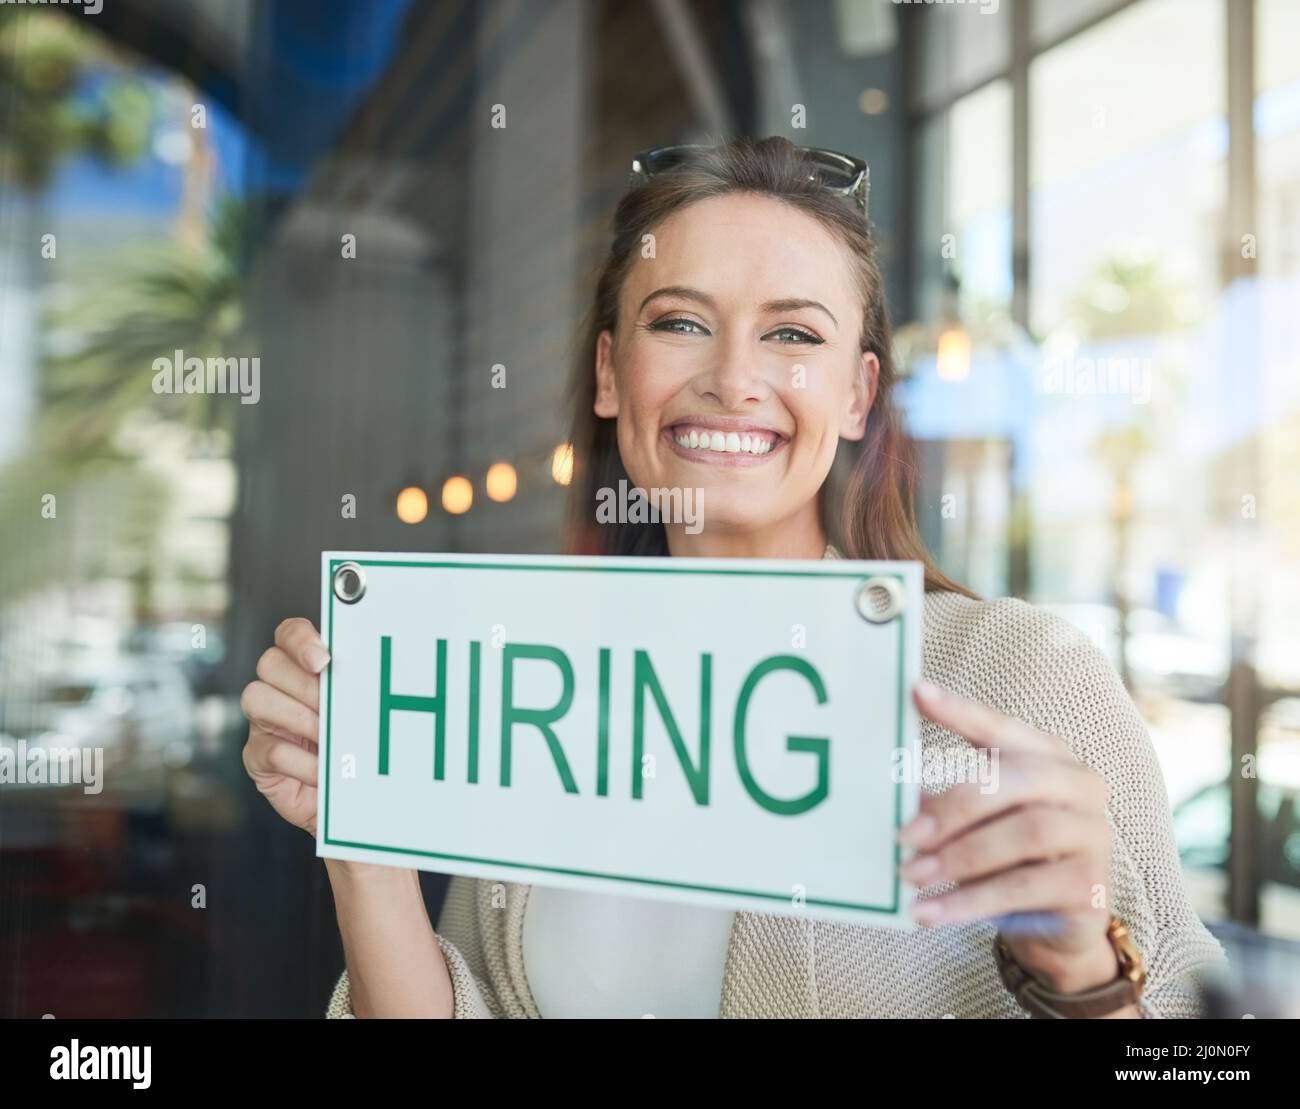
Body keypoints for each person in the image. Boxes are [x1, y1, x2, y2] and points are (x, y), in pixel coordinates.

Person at [240, 137, 1227, 1018]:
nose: (731, 377)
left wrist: (1081, 972)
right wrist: (360, 840)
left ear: (856, 392)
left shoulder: (1022, 675)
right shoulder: (535, 680)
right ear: (608, 374)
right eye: (678, 323)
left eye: (792, 334)